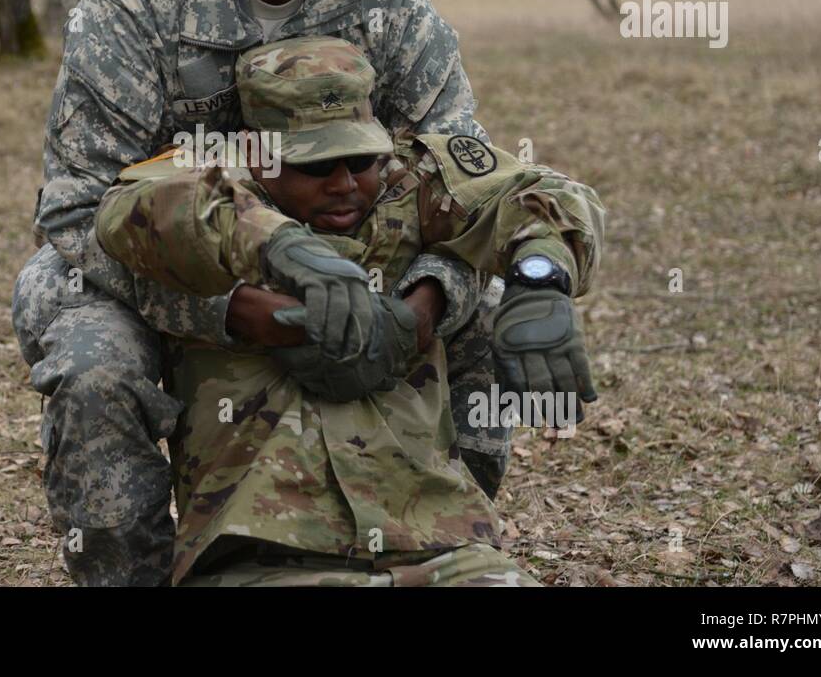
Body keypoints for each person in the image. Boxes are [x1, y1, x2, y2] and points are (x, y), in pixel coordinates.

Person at [14, 0, 522, 586]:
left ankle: (441, 536)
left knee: (498, 306)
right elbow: (74, 214)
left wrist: (423, 306)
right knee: (91, 361)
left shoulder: (389, 10)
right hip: (165, 265)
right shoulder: (136, 2)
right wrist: (229, 311)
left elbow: (461, 199)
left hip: (353, 267)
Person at [92, 35, 606, 586]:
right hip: (263, 554)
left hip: (442, 549)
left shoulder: (406, 186)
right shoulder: (208, 191)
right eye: (314, 166)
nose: (344, 185)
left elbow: (540, 195)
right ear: (255, 153)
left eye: (359, 160)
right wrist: (279, 246)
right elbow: (138, 211)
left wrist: (541, 278)